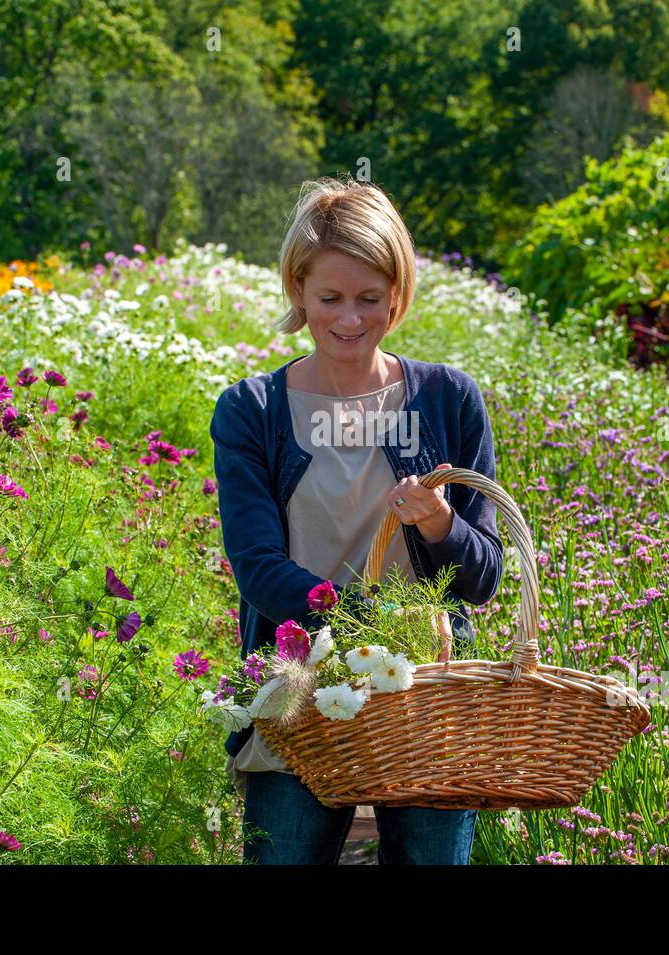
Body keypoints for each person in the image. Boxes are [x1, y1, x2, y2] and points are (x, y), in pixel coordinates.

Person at [208, 175, 504, 864]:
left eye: (370, 299)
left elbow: (483, 575)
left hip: (425, 699)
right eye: (329, 298)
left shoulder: (450, 399)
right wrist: (367, 633)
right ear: (298, 292)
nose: (349, 318)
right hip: (299, 696)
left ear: (398, 294)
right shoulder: (252, 410)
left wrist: (438, 525)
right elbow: (257, 568)